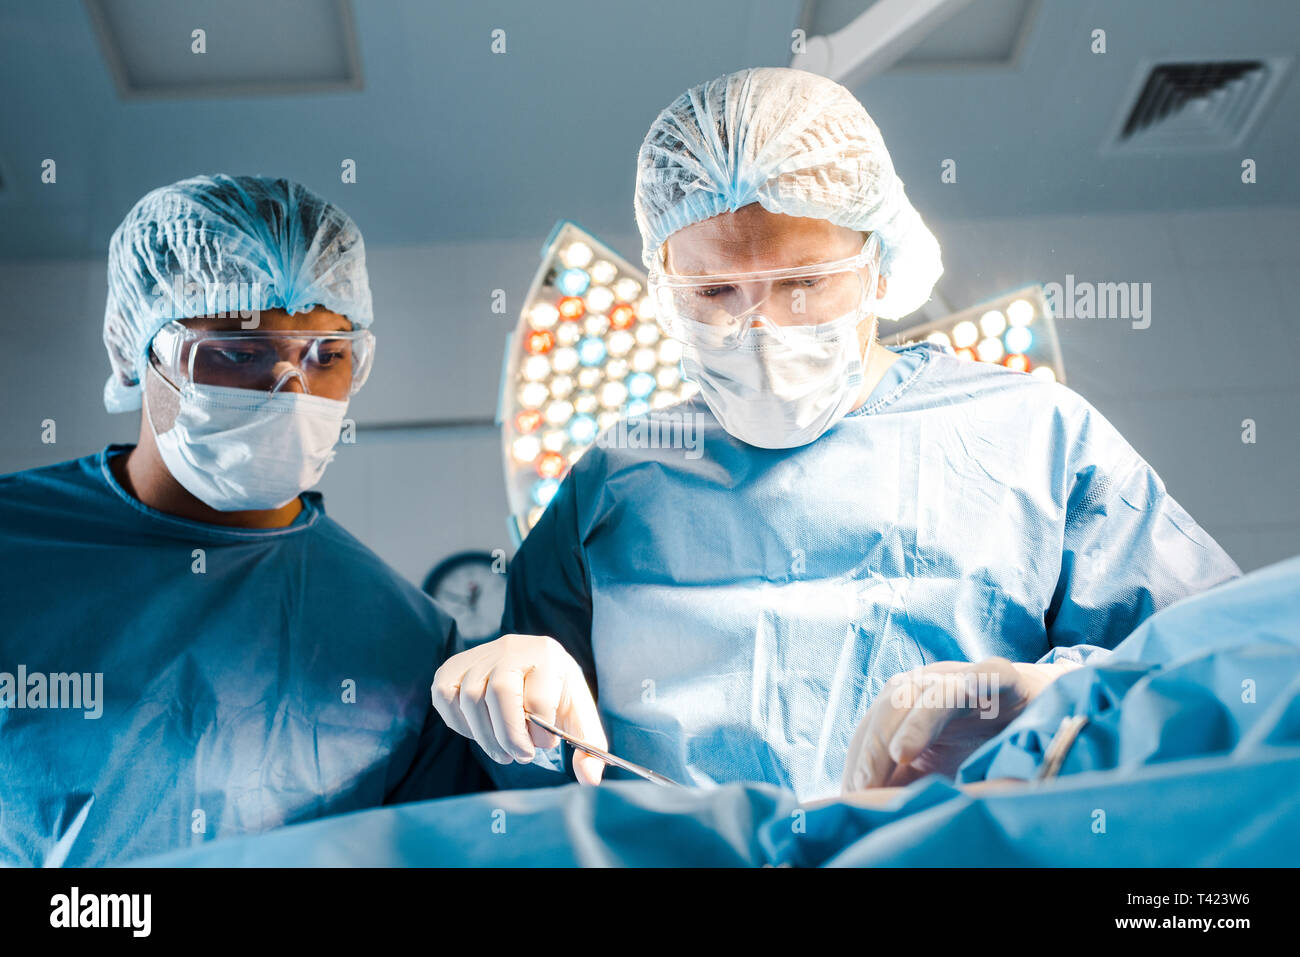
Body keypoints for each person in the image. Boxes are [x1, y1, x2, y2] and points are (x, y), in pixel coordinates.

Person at [432, 68, 1240, 802]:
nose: (761, 328)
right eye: (715, 290)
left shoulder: (1037, 436)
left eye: (805, 284)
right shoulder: (614, 480)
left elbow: (1226, 667)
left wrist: (1050, 706)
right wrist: (511, 700)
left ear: (880, 266)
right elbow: (535, 778)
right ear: (666, 293)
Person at [0, 174, 490, 867]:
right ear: (139, 352)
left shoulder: (405, 635)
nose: (291, 390)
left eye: (328, 354)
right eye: (237, 351)